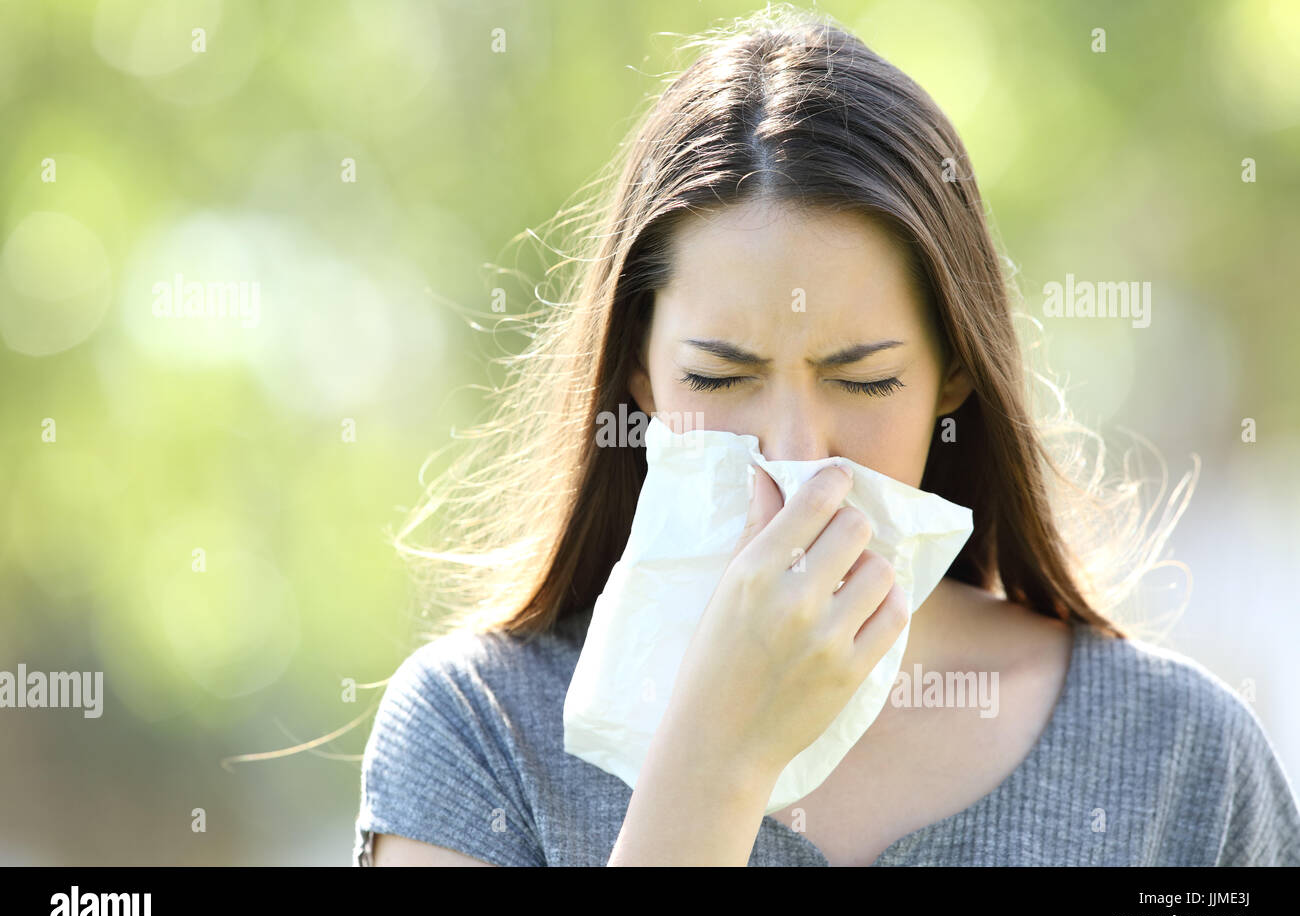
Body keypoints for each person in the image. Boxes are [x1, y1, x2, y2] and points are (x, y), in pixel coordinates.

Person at [353, 5, 1300, 866]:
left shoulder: (1177, 756)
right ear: (639, 376)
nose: (797, 451)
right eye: (720, 378)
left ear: (954, 377)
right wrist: (715, 763)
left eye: (865, 378)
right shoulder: (478, 735)